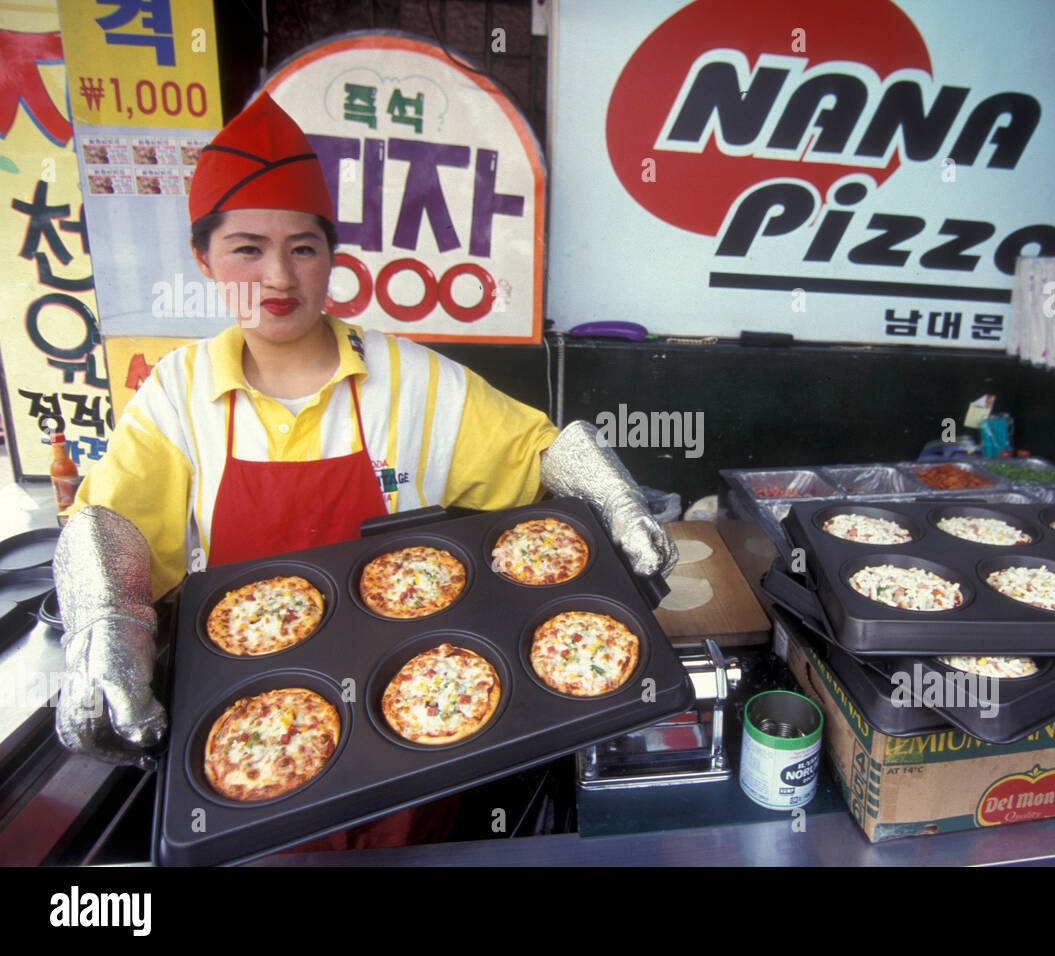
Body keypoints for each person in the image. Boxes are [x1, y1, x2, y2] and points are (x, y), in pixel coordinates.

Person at [51, 92, 677, 844]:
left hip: (418, 714)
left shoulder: (410, 380)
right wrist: (105, 621)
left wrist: (615, 496)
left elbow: (535, 451)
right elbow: (111, 521)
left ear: (333, 255)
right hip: (254, 739)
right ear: (203, 256)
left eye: (304, 248)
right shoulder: (176, 398)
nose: (279, 276)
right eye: (248, 248)